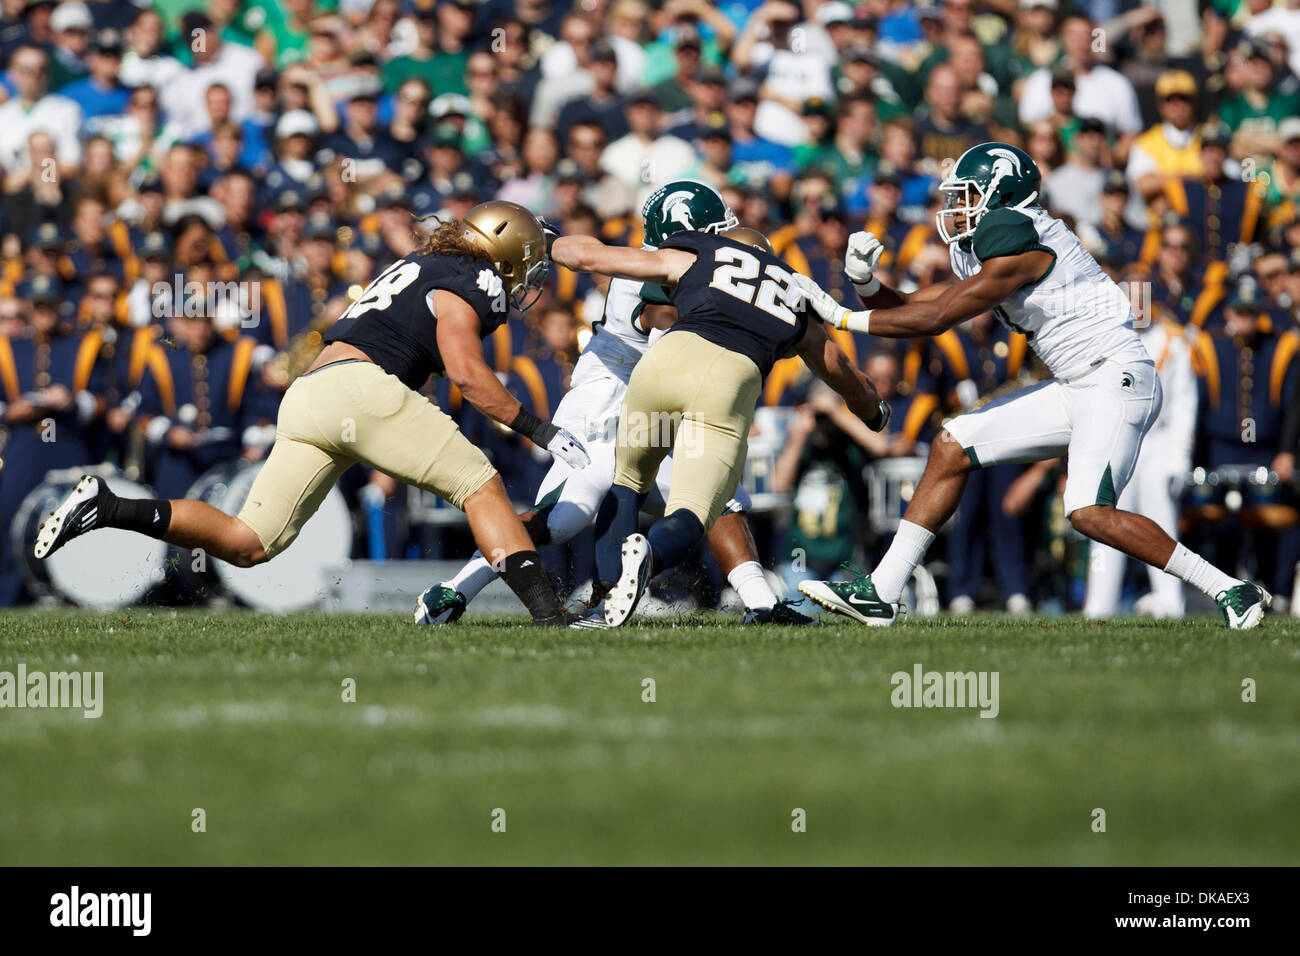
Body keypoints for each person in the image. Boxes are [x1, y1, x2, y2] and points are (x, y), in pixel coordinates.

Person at [34, 201, 588, 626]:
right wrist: (541, 430)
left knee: (249, 541)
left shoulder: (423, 263)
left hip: (309, 394)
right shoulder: (473, 279)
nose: (528, 279)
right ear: (503, 250)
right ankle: (549, 616)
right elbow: (468, 374)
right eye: (527, 262)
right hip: (362, 390)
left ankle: (107, 509)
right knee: (481, 485)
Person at [795, 142, 1272, 629]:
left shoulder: (1019, 234)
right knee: (952, 444)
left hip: (1114, 378)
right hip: (1077, 383)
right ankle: (882, 592)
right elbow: (923, 303)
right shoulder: (1000, 240)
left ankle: (1231, 589)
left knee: (1088, 511)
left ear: (1000, 194)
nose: (957, 207)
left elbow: (936, 318)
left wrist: (841, 316)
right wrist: (865, 283)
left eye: (968, 194)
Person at [417, 180, 817, 626]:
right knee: (567, 516)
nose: (722, 239)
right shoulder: (657, 274)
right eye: (717, 229)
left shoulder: (668, 260)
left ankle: (761, 604)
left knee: (721, 494)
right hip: (606, 406)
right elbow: (676, 322)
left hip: (655, 403)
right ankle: (456, 590)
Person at [550, 225, 889, 628]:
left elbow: (586, 257)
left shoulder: (702, 254)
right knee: (695, 511)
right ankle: (650, 557)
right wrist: (873, 411)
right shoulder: (792, 290)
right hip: (725, 382)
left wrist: (548, 242)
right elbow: (842, 370)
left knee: (627, 485)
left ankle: (605, 603)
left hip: (660, 366)